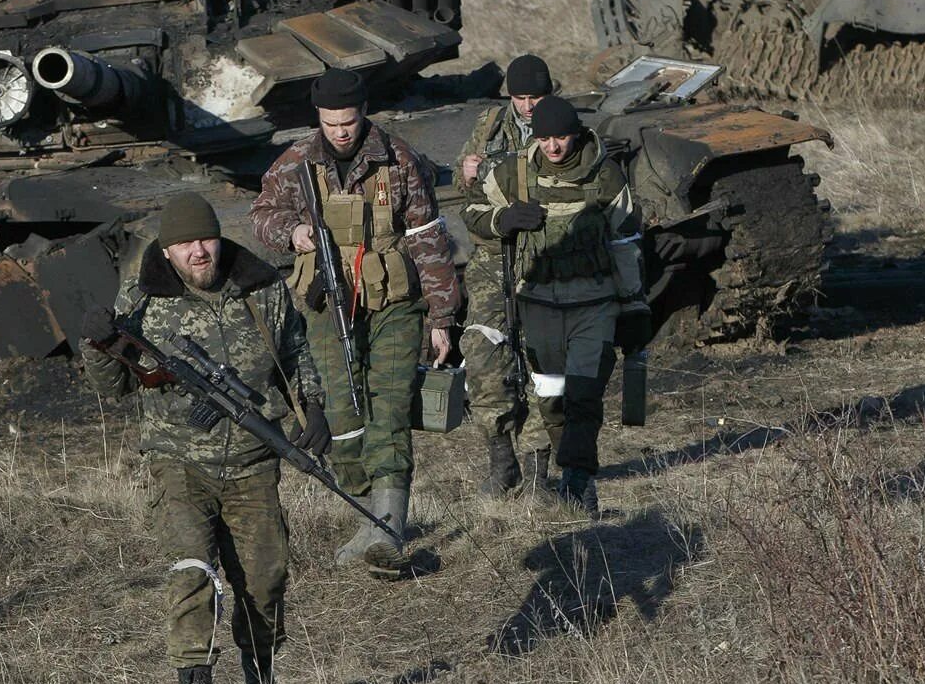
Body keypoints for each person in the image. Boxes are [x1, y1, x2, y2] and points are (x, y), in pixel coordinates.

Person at [79, 193, 326, 684]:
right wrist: (94, 344)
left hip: (255, 460)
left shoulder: (262, 290)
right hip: (179, 460)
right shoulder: (142, 300)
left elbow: (296, 349)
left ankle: (262, 680)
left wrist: (314, 407)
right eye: (184, 243)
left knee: (264, 577)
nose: (198, 252)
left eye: (205, 239)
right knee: (192, 567)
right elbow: (113, 386)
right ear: (166, 251)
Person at [250, 68, 461, 573]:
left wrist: (442, 316)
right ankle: (367, 515)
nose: (341, 131)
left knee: (388, 407)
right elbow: (260, 215)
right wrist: (294, 231)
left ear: (362, 113)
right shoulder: (297, 161)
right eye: (331, 122)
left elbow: (428, 238)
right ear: (318, 118)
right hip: (327, 303)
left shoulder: (398, 158)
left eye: (349, 121)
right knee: (342, 413)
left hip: (393, 302)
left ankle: (389, 530)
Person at [461, 96, 650, 519]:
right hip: (539, 305)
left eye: (561, 137)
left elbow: (625, 242)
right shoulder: (515, 174)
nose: (553, 147)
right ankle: (553, 473)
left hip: (593, 305)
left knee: (584, 394)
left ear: (576, 134)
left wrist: (635, 304)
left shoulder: (604, 175)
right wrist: (504, 220)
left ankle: (579, 480)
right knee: (550, 397)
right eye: (544, 138)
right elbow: (472, 211)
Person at [455, 54, 557, 496]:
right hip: (492, 255)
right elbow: (465, 184)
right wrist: (468, 174)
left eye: (536, 97)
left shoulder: (562, 126)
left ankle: (538, 472)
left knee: (543, 360)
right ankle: (502, 462)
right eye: (521, 97)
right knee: (482, 353)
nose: (529, 106)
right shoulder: (491, 123)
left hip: (543, 254)